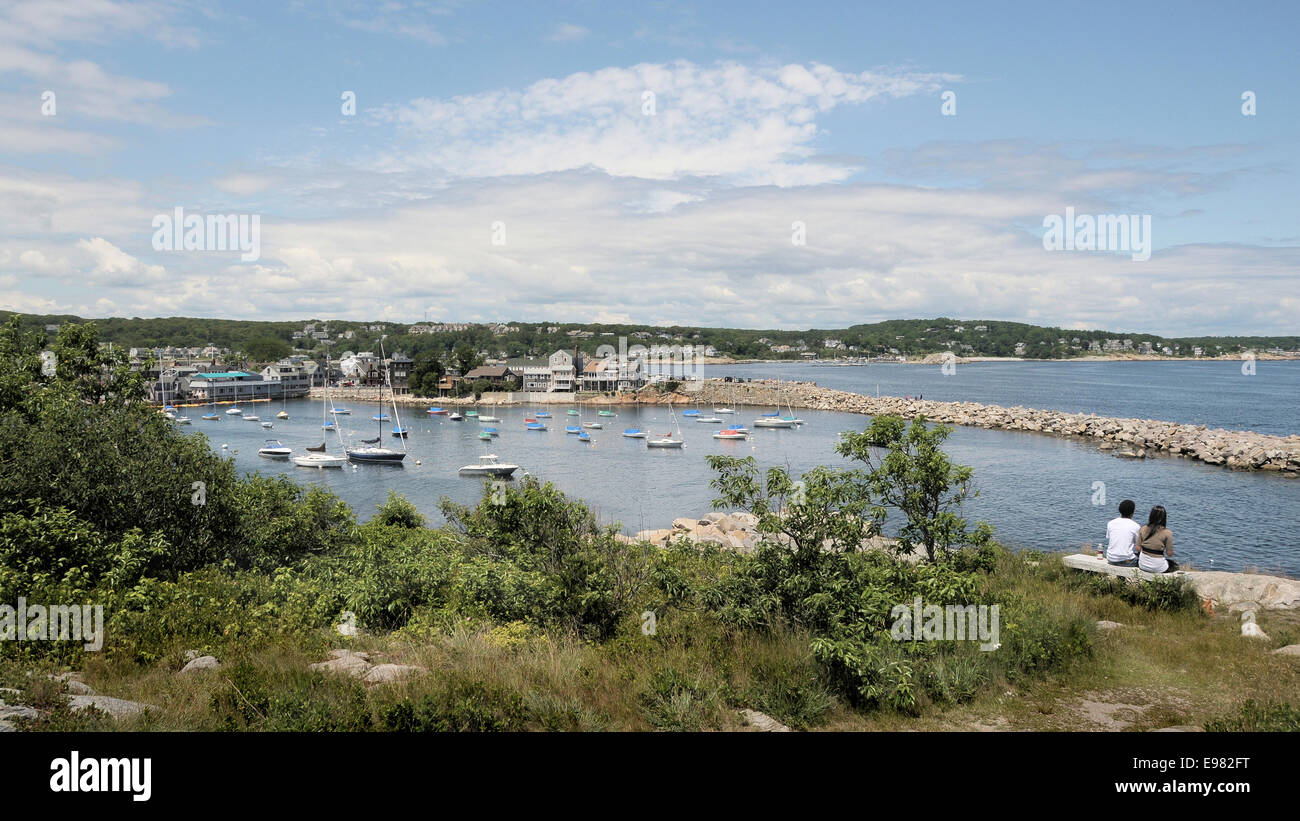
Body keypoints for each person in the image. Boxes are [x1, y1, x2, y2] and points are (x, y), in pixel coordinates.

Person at [1137, 505, 1177, 573]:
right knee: (1173, 565)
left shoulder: (1143, 528)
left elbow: (1138, 548)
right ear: (1164, 518)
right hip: (1158, 567)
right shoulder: (1167, 533)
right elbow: (1169, 554)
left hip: (1142, 564)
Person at [1105, 499, 1141, 566]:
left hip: (1110, 558)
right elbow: (1138, 546)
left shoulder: (1111, 523)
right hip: (1126, 561)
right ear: (1133, 512)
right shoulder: (1135, 526)